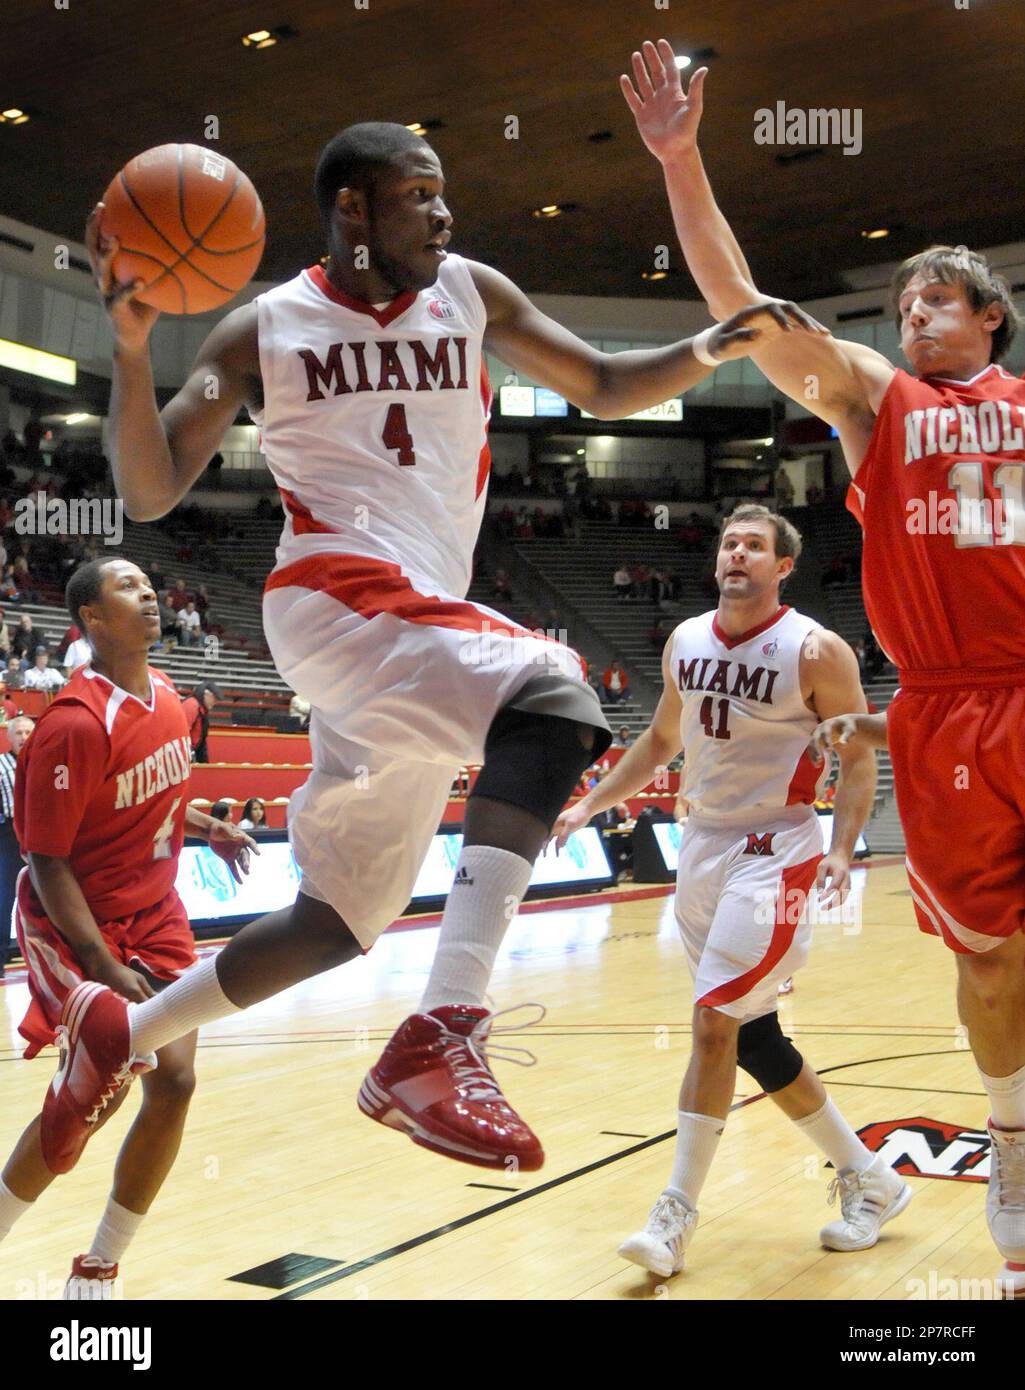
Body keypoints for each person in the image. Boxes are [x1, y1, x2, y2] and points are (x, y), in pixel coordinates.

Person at [47, 118, 823, 1183]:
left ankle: (117, 1036)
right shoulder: (262, 329)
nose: (444, 211)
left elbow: (597, 382)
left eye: (442, 192)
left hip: (408, 627)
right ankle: (442, 1030)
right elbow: (146, 488)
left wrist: (705, 346)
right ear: (353, 208)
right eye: (419, 192)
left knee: (336, 919)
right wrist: (131, 351)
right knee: (555, 691)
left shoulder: (472, 290)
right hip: (333, 596)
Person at [624, 37, 1025, 1292]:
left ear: (991, 318)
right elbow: (741, 313)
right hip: (952, 712)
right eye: (904, 305)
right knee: (990, 961)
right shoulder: (872, 401)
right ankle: (1010, 1149)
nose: (913, 317)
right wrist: (680, 159)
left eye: (937, 303)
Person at [553, 504, 908, 1277]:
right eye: (728, 543)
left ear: (782, 566)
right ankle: (870, 1179)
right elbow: (658, 740)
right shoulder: (685, 639)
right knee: (752, 1039)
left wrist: (842, 851)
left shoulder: (815, 648)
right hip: (702, 848)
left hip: (776, 848)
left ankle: (674, 1215)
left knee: (713, 1022)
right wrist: (589, 803)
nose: (736, 553)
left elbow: (854, 760)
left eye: (754, 545)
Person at [0, 557, 255, 1296]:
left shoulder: (171, 696)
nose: (148, 593)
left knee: (175, 1081)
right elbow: (46, 859)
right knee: (94, 1097)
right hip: (78, 921)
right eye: (127, 587)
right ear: (92, 619)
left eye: (149, 583)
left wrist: (208, 825)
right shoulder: (74, 724)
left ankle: (101, 1263)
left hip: (157, 912)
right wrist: (98, 961)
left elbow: (156, 796)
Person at [0, 715, 33, 977]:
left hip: (43, 832)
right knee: (5, 899)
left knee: (52, 898)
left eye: (28, 732)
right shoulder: (0, 765)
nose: (23, 737)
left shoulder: (47, 761)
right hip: (9, 835)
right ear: (9, 737)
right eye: (18, 733)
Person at [180, 681, 221, 764]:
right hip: (184, 753)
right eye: (214, 698)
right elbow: (182, 732)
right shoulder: (192, 705)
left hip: (190, 751)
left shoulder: (202, 709)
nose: (215, 702)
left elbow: (201, 740)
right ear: (206, 695)